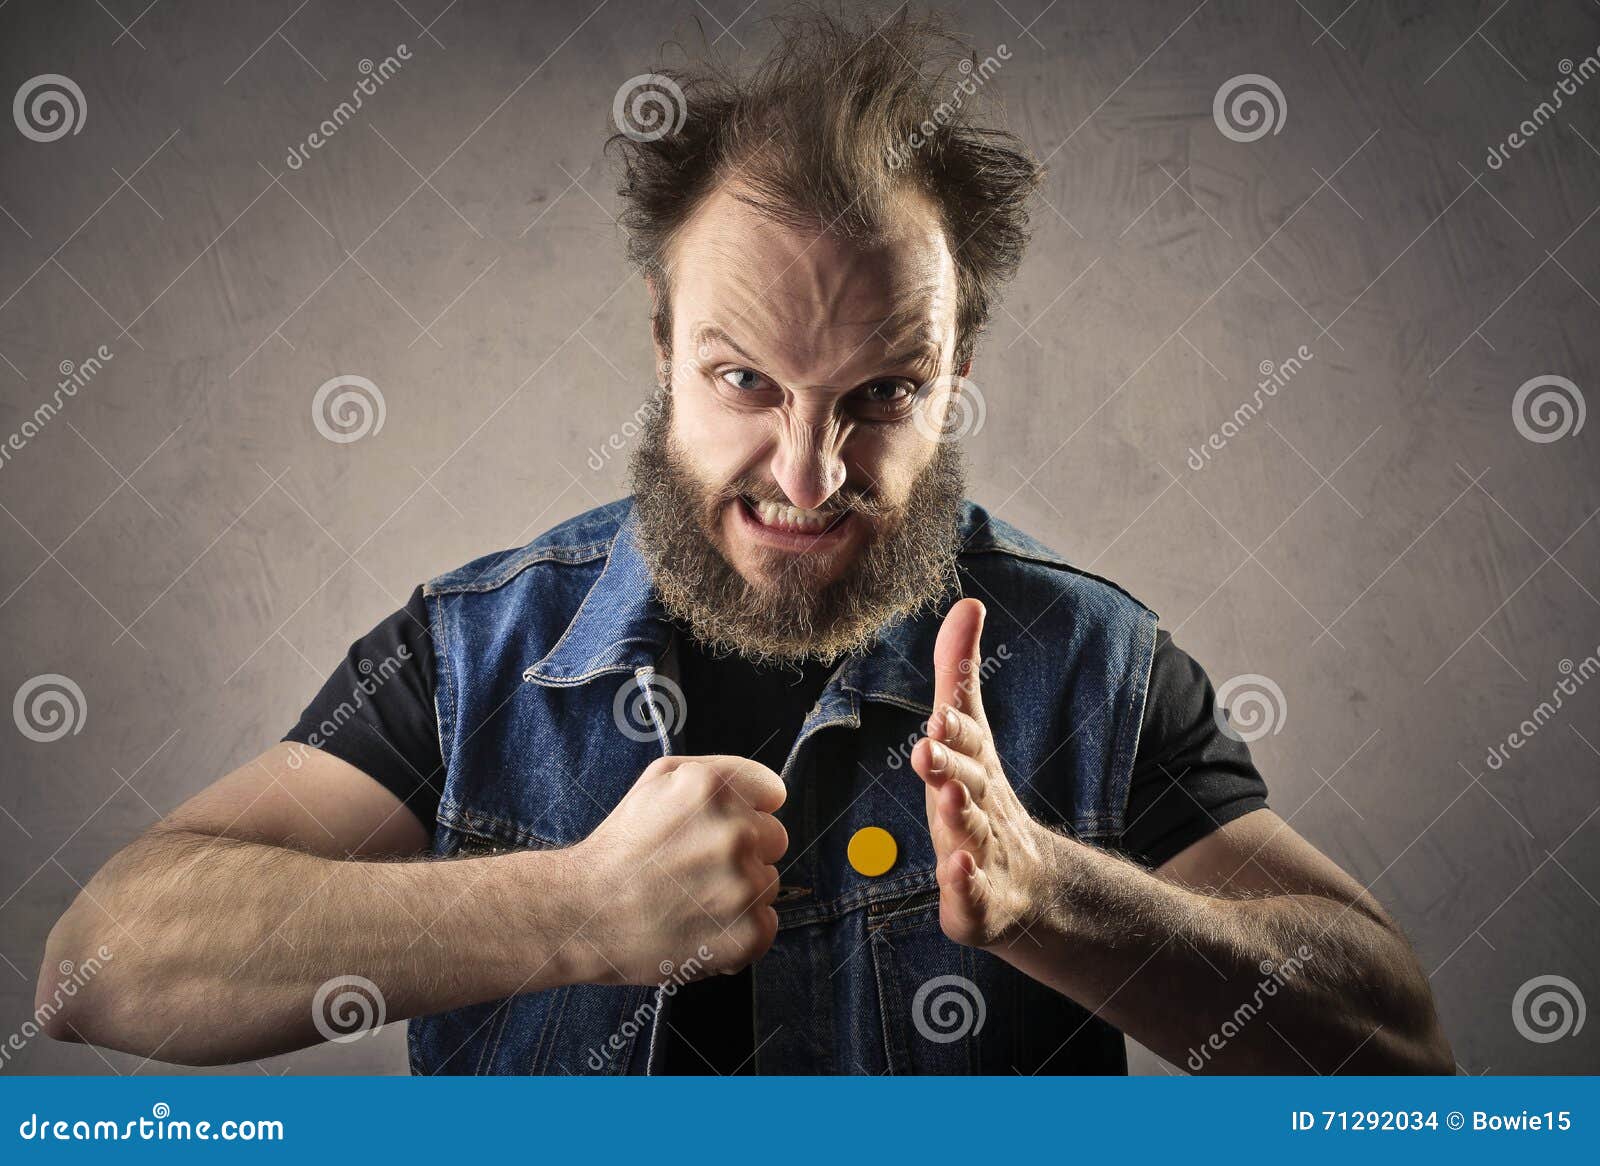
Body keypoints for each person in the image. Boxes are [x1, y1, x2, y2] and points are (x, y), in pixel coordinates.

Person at [38, 6, 1452, 1075]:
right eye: (746, 382)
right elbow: (100, 966)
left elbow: (1394, 1041)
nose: (807, 470)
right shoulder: (475, 655)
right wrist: (575, 907)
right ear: (663, 352)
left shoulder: (1095, 668)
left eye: (881, 393)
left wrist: (1058, 898)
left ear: (953, 378)